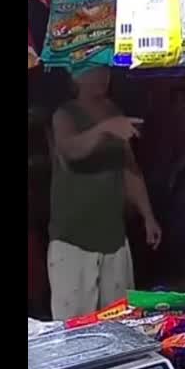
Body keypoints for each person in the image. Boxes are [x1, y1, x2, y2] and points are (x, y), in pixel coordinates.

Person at [48, 67, 162, 319]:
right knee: (76, 329)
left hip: (114, 237)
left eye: (104, 70)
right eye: (93, 71)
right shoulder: (65, 114)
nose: (102, 76)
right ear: (75, 76)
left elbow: (129, 169)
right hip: (72, 240)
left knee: (120, 322)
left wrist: (147, 215)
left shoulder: (114, 112)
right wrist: (104, 129)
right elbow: (71, 151)